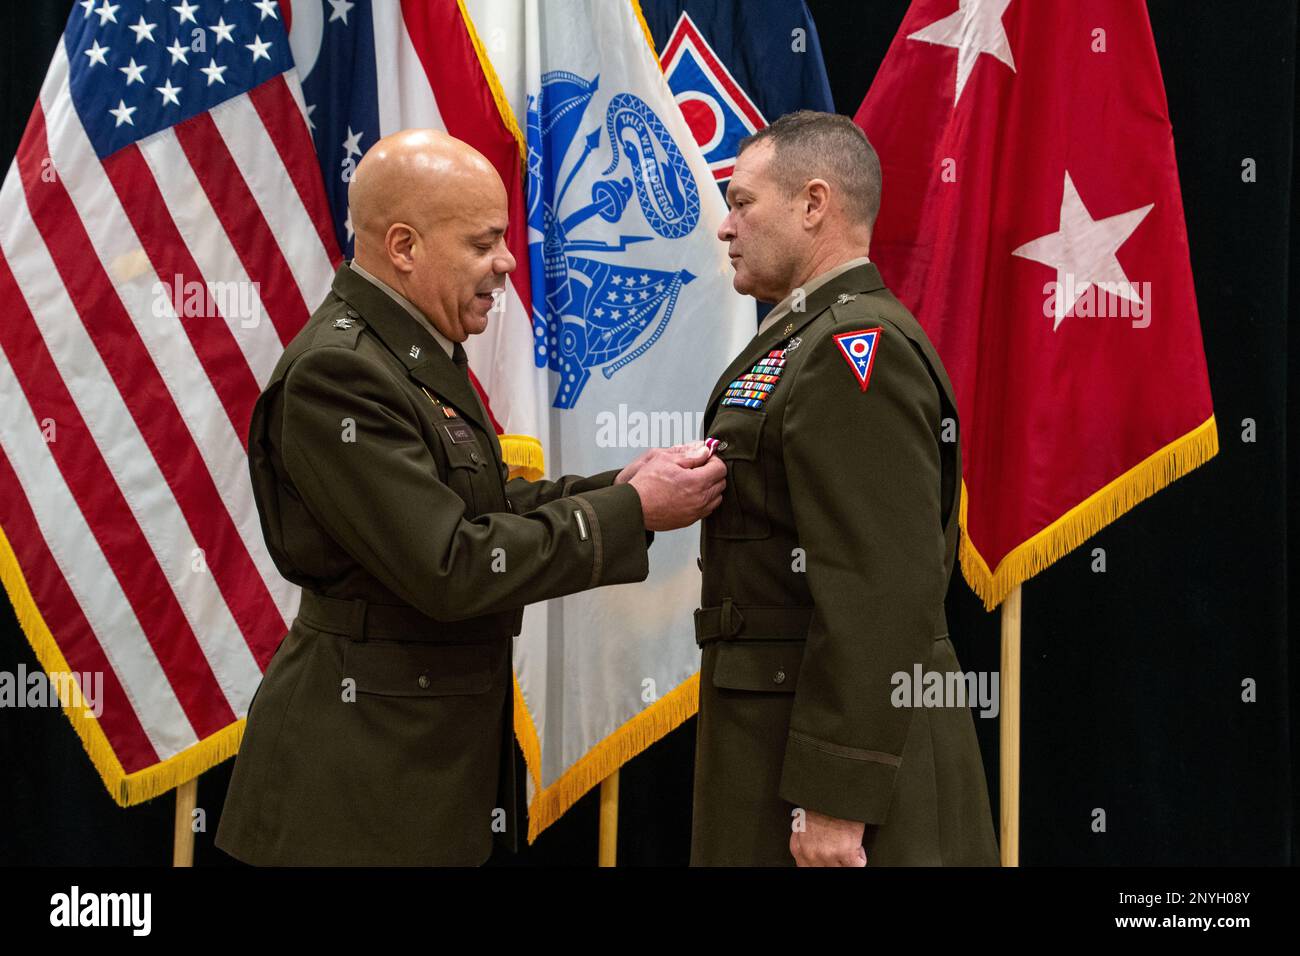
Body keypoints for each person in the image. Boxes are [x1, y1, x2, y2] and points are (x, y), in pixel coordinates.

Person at [215, 129, 726, 866]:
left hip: (420, 757)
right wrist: (633, 512)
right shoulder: (342, 374)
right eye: (483, 243)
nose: (506, 263)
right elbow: (451, 565)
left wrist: (619, 486)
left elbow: (483, 504)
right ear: (404, 246)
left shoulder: (410, 352)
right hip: (360, 783)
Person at [691, 111, 999, 866]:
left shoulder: (852, 351)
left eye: (741, 202)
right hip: (777, 732)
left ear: (814, 204)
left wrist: (837, 796)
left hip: (838, 768)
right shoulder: (807, 338)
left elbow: (879, 590)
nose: (725, 229)